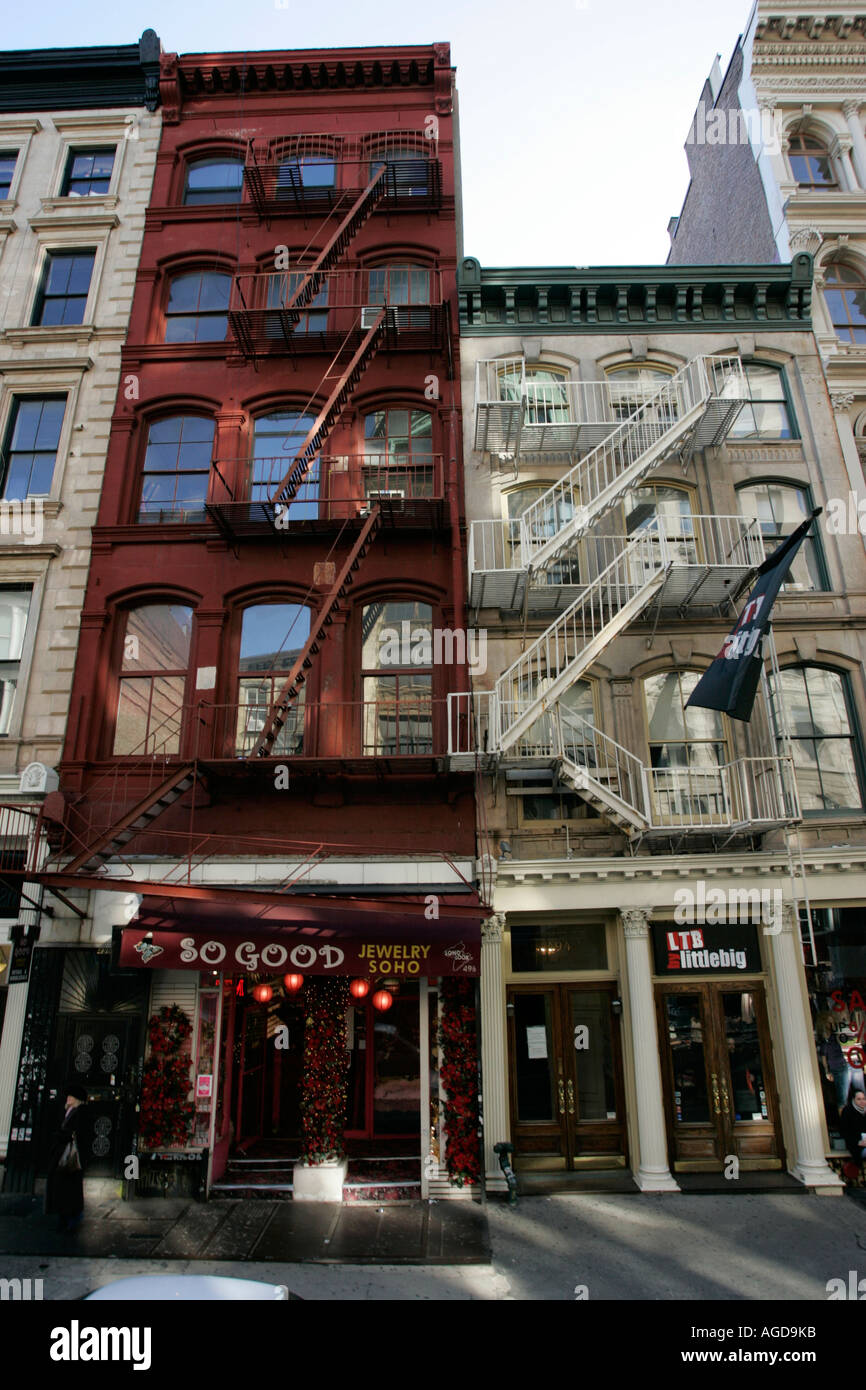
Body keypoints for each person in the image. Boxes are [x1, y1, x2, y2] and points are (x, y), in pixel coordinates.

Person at [45, 1083, 87, 1233]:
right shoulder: (67, 1111)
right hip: (62, 1154)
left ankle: (70, 1218)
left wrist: (62, 1136)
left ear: (77, 1099)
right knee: (63, 1186)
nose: (68, 1098)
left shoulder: (78, 1112)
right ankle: (65, 1217)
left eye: (71, 1096)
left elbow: (76, 1133)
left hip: (69, 1156)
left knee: (68, 1187)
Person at [839, 1089, 866, 1173]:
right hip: (857, 1146)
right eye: (859, 1099)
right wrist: (858, 1142)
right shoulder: (848, 1111)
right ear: (853, 1100)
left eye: (864, 1099)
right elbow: (844, 1132)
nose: (862, 1101)